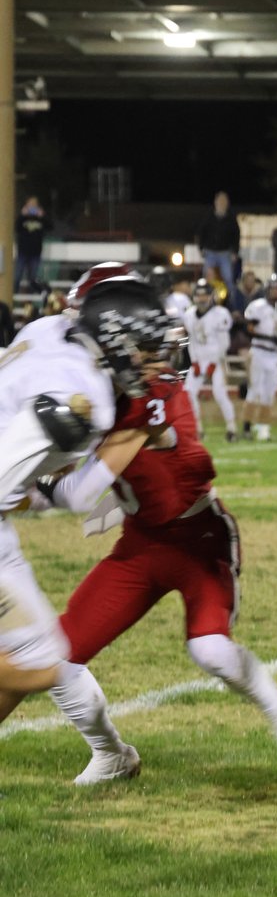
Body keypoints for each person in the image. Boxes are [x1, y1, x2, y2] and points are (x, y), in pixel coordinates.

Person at [33, 335, 277, 785]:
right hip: (141, 545)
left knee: (210, 649)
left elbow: (166, 469)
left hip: (200, 540)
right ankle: (110, 753)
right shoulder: (104, 399)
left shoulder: (159, 401)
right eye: (144, 354)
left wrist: (48, 487)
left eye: (155, 354)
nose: (155, 366)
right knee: (60, 656)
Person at [0, 274, 170, 782]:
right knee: (37, 665)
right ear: (117, 340)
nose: (151, 362)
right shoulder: (86, 395)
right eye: (144, 349)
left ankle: (112, 754)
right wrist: (132, 437)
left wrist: (24, 494)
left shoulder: (53, 329)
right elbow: (62, 489)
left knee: (44, 652)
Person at [182, 279, 237, 442]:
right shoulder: (189, 315)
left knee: (220, 394)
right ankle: (197, 428)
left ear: (211, 296)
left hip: (216, 359)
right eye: (198, 295)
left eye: (204, 295)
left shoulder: (220, 314)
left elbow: (224, 343)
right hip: (198, 360)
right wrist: (195, 362)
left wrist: (214, 362)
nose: (201, 298)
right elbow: (191, 341)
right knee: (189, 392)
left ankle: (231, 428)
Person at [241, 275, 277, 441]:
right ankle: (247, 426)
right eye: (273, 288)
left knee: (269, 394)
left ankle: (264, 429)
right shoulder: (258, 306)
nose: (276, 291)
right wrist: (268, 337)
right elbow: (249, 328)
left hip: (275, 355)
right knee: (254, 391)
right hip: (259, 352)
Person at [196, 191, 241, 295]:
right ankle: (205, 299)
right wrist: (201, 248)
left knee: (228, 278)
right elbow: (201, 233)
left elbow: (236, 236)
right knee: (207, 278)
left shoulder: (231, 219)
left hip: (225, 253)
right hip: (210, 252)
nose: (222, 203)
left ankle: (230, 304)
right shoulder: (208, 217)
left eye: (224, 201)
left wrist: (235, 252)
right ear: (215, 202)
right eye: (220, 201)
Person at [14, 196, 51, 292]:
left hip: (36, 252)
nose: (32, 207)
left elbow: (50, 227)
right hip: (22, 251)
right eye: (30, 205)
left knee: (33, 279)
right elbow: (16, 228)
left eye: (34, 205)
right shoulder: (22, 218)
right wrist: (22, 216)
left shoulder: (41, 219)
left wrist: (43, 216)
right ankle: (13, 295)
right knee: (17, 276)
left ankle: (30, 301)